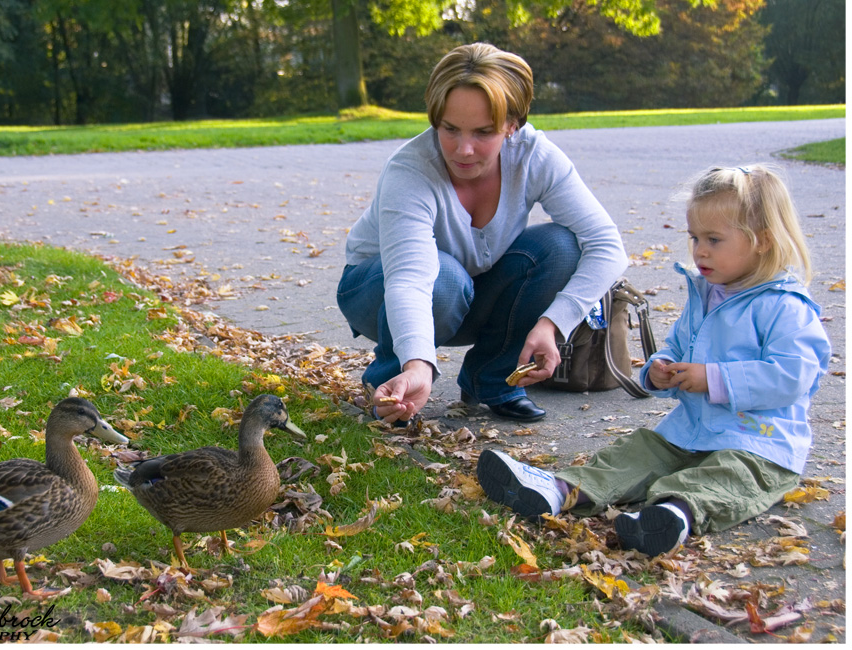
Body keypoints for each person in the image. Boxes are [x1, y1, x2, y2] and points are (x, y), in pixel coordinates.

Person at [477, 164, 832, 556]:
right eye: (695, 237)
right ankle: (558, 490)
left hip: (759, 445)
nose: (699, 251)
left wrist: (714, 378)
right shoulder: (706, 295)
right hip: (690, 432)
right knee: (637, 452)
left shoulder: (786, 307)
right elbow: (677, 349)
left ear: (762, 241)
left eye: (714, 239)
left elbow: (793, 376)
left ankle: (671, 516)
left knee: (725, 479)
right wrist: (658, 371)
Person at [337, 42, 627, 424]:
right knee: (445, 276)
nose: (464, 149)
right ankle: (393, 385)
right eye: (449, 129)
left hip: (467, 290)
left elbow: (607, 245)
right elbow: (410, 279)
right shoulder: (409, 172)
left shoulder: (534, 155)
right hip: (379, 291)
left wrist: (553, 321)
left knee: (560, 246)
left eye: (483, 132)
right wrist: (419, 364)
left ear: (512, 125)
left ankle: (492, 379)